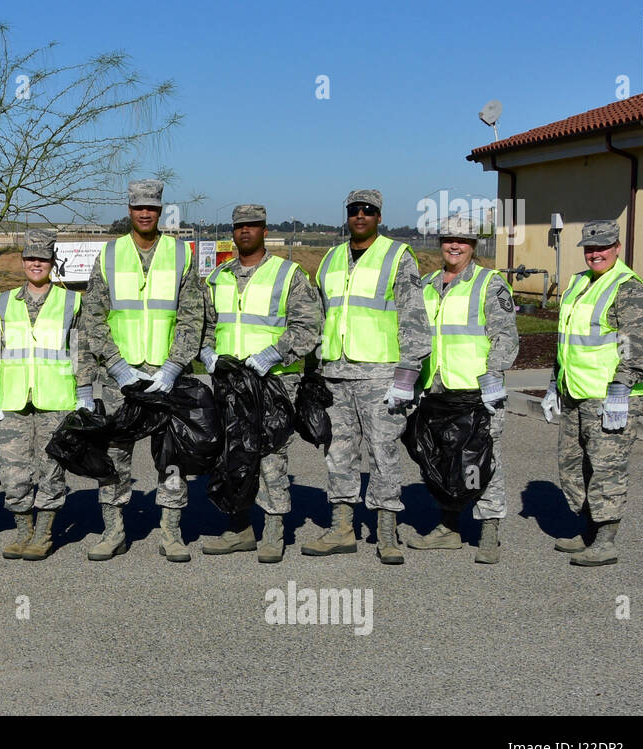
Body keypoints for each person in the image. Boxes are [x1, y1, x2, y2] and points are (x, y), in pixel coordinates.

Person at [77, 178, 205, 562]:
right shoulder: (110, 255)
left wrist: (172, 367)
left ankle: (170, 533)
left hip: (166, 377)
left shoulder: (181, 254)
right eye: (138, 207)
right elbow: (93, 316)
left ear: (161, 210)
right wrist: (115, 366)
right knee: (115, 455)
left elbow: (192, 316)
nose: (145, 212)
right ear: (129, 210)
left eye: (152, 206)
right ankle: (113, 531)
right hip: (122, 378)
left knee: (172, 456)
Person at [303, 189, 429, 565]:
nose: (360, 215)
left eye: (368, 210)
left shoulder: (397, 256)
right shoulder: (330, 258)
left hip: (379, 373)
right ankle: (342, 528)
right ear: (347, 216)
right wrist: (313, 368)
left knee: (383, 452)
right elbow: (319, 313)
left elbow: (414, 318)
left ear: (379, 216)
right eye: (354, 210)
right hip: (336, 372)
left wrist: (407, 375)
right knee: (338, 453)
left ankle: (386, 533)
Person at [198, 204, 322, 563]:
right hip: (230, 383)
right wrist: (206, 352)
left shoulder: (289, 275)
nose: (245, 232)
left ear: (264, 230)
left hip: (274, 383)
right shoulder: (218, 277)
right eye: (239, 227)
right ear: (233, 232)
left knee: (270, 456)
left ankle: (274, 532)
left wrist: (274, 354)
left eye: (252, 226)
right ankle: (239, 530)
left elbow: (307, 329)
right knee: (234, 455)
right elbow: (204, 325)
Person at [540, 219, 643, 567]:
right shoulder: (579, 283)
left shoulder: (628, 288)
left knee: (607, 466)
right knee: (573, 464)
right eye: (590, 248)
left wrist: (622, 387)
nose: (596, 254)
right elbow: (566, 342)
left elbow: (638, 344)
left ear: (617, 247)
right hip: (575, 392)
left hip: (611, 396)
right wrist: (553, 384)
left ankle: (605, 539)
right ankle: (589, 526)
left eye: (603, 247)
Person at [409, 215, 519, 564]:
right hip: (436, 389)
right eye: (448, 239)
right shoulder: (426, 284)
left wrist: (493, 373)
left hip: (477, 390)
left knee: (483, 459)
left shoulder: (490, 283)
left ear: (474, 245)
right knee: (441, 459)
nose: (454, 245)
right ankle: (448, 527)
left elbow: (505, 335)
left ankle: (489, 531)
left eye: (462, 240)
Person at [0, 229, 94, 561]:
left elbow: (82, 351)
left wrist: (85, 391)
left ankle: (43, 533)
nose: (36, 264)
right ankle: (22, 531)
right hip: (13, 401)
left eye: (42, 258)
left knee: (51, 468)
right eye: (30, 258)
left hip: (56, 400)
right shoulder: (3, 302)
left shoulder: (71, 301)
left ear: (52, 262)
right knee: (13, 471)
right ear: (23, 261)